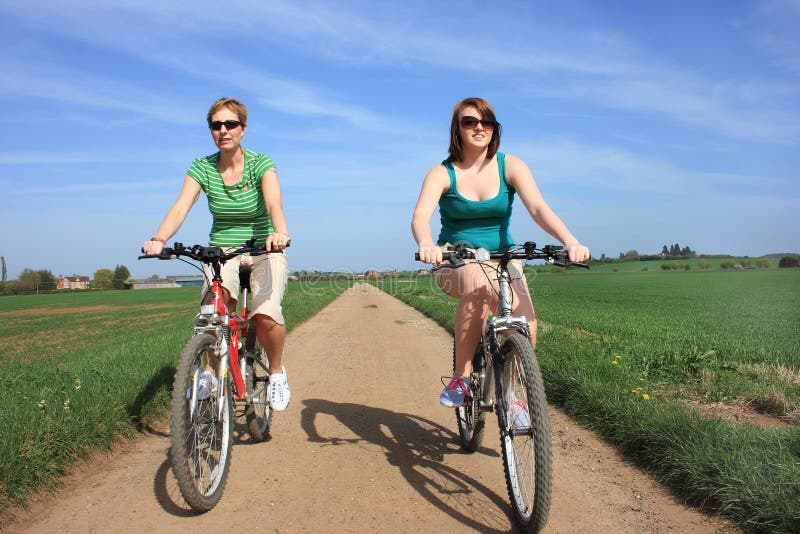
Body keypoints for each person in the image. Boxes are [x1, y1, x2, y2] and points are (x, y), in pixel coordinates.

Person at [412, 97, 590, 407]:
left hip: (503, 258)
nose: (479, 127)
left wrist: (570, 241)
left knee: (526, 325)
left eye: (487, 122)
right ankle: (461, 378)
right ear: (457, 129)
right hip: (456, 257)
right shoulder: (442, 173)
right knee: (479, 288)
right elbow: (420, 216)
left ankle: (511, 395)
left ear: (495, 129)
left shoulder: (512, 166)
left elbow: (538, 208)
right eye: (470, 121)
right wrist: (426, 244)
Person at [141, 97, 292, 410]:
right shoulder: (203, 167)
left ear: (243, 129)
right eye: (216, 125)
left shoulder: (261, 163)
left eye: (230, 124)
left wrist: (279, 233)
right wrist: (159, 238)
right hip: (223, 251)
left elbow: (274, 204)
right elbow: (180, 207)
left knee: (265, 315)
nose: (223, 130)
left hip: (263, 248)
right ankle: (210, 373)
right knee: (213, 312)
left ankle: (277, 373)